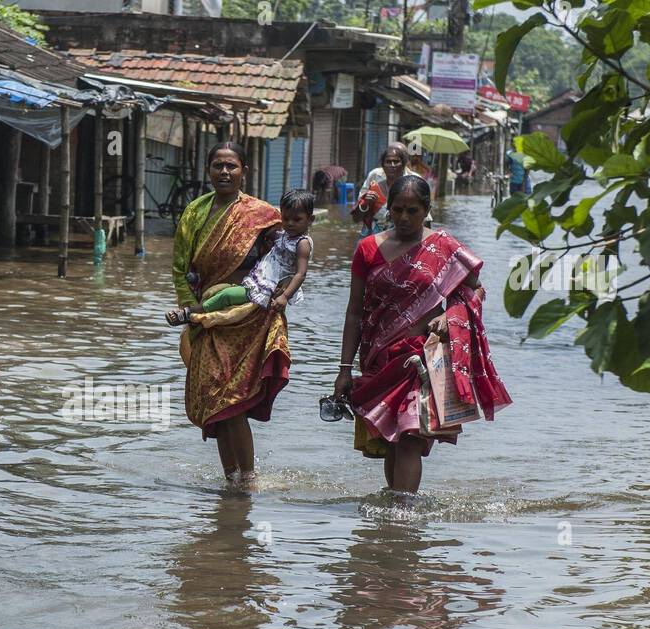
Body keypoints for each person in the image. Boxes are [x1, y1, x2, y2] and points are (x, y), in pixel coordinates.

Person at [331, 175, 511, 493]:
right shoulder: (367, 250)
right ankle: (395, 511)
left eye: (411, 210)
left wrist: (449, 316)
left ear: (426, 209)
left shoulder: (443, 247)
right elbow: (354, 311)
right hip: (379, 357)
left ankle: (403, 518)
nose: (403, 217)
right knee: (390, 437)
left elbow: (476, 289)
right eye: (397, 209)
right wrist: (344, 369)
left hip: (420, 357)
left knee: (411, 434)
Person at [171, 142, 289, 487]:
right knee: (216, 404)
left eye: (231, 166)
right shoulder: (194, 213)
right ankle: (231, 479)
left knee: (233, 401)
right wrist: (191, 313)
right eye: (218, 166)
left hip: (248, 321)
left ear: (244, 172)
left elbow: (285, 261)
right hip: (207, 319)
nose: (224, 172)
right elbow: (180, 268)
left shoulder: (263, 216)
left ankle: (248, 478)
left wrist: (275, 299)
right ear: (208, 171)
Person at [165, 188, 314, 324]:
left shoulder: (302, 244)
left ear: (310, 220)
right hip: (258, 278)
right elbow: (269, 234)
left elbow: (300, 274)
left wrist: (285, 296)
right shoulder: (285, 236)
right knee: (218, 292)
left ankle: (191, 314)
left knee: (226, 296)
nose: (290, 223)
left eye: (297, 220)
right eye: (286, 218)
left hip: (266, 287)